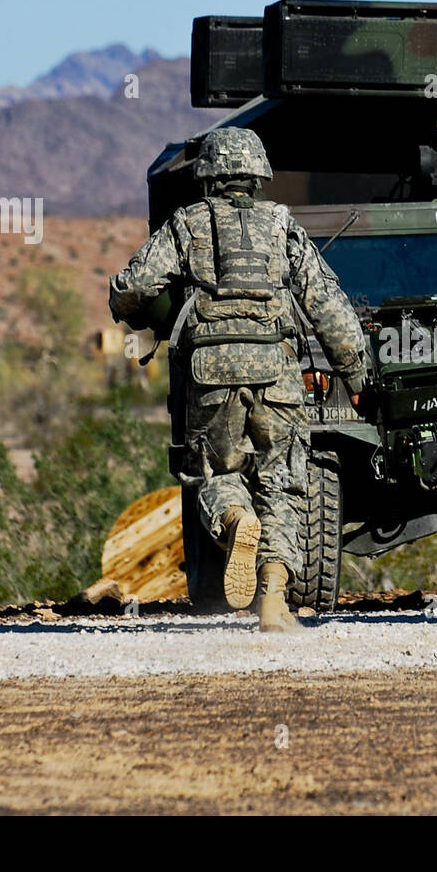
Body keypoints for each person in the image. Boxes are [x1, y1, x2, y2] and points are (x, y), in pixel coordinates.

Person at [108, 128, 367, 632]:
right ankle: (273, 599)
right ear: (259, 176)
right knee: (284, 480)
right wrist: (355, 373)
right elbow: (328, 306)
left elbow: (135, 285)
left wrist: (126, 304)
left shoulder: (187, 223)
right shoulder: (281, 225)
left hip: (209, 371)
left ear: (207, 175)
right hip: (276, 371)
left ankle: (232, 519)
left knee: (214, 471)